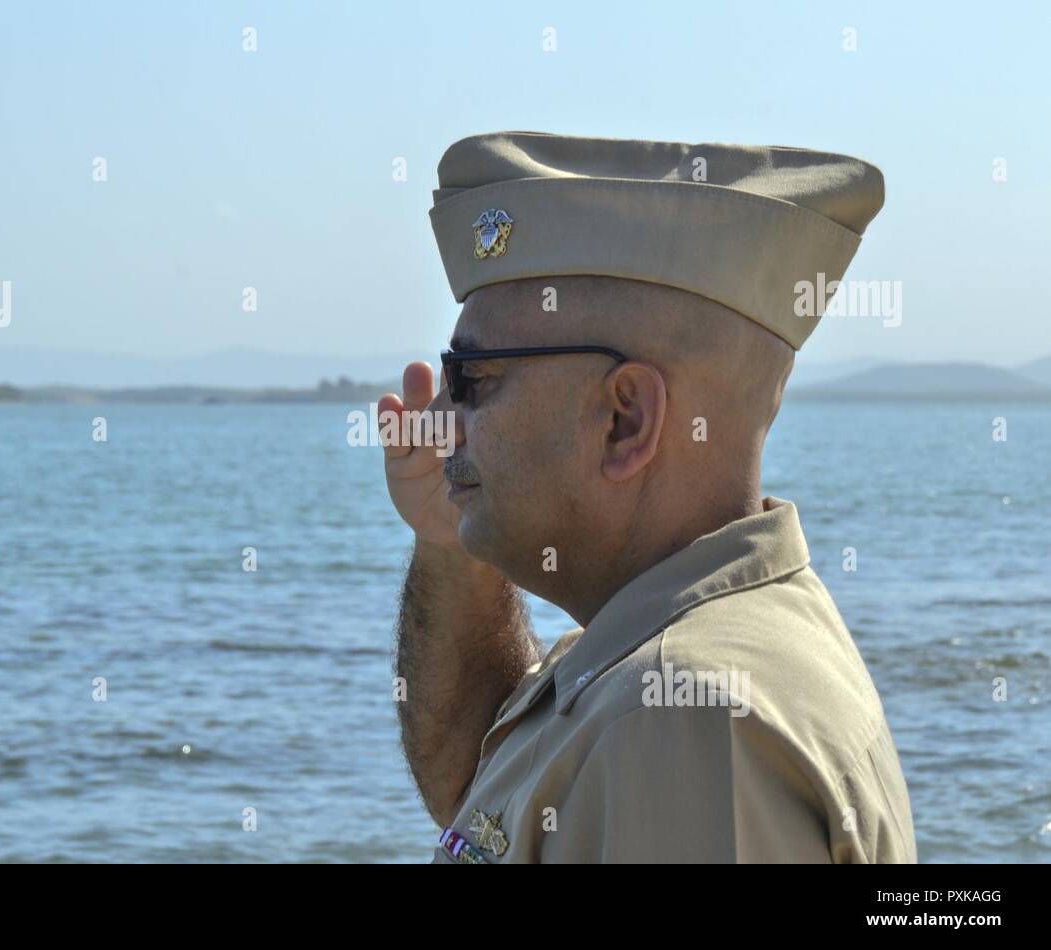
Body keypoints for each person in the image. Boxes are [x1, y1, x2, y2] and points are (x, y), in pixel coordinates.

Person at [380, 132, 916, 863]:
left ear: (624, 420)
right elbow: (482, 803)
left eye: (473, 378)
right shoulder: (659, 661)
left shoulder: (678, 718)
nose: (443, 416)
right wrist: (454, 542)